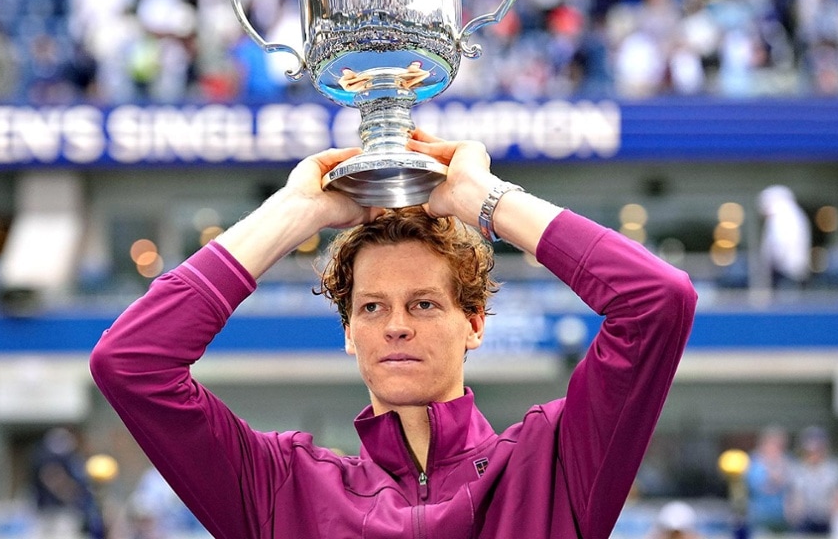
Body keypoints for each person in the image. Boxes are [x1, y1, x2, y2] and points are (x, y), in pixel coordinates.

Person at [90, 130, 697, 538]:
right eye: (373, 307)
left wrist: (481, 198)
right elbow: (130, 364)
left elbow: (658, 302)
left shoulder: (555, 462)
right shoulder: (281, 486)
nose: (398, 325)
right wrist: (294, 211)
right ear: (349, 333)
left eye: (426, 304)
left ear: (474, 323)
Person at [786, 426, 838, 536]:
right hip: (805, 521)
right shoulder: (797, 469)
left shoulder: (835, 469)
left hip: (829, 520)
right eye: (810, 450)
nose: (814, 454)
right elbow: (794, 497)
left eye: (818, 449)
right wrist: (794, 513)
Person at [746, 425, 792, 533]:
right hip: (760, 517)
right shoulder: (754, 462)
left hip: (785, 519)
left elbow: (792, 485)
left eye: (780, 445)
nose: (777, 448)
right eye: (774, 444)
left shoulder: (789, 460)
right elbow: (758, 486)